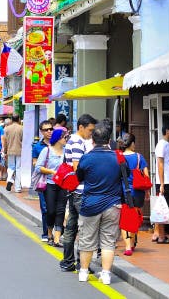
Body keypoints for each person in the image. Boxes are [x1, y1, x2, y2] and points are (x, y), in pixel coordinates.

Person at [75, 120, 122, 285]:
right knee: (108, 241)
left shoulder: (86, 158)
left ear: (92, 140)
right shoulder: (118, 158)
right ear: (109, 140)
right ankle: (106, 274)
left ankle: (83, 272)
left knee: (87, 239)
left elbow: (78, 178)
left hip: (90, 204)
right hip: (113, 204)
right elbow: (125, 177)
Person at [59, 114, 97, 273]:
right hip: (80, 192)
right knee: (85, 229)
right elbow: (77, 167)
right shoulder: (77, 142)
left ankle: (68, 262)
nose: (91, 133)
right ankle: (83, 264)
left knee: (72, 227)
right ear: (81, 127)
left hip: (73, 191)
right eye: (90, 130)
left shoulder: (74, 141)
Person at [35, 127, 68, 247]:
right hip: (50, 184)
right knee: (51, 211)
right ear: (58, 138)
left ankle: (57, 239)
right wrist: (53, 172)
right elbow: (38, 167)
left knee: (61, 211)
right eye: (65, 137)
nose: (66, 139)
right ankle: (49, 234)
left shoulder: (66, 151)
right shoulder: (47, 151)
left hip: (63, 184)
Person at [118, 133, 148, 256]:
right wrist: (147, 192)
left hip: (123, 191)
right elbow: (146, 175)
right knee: (134, 216)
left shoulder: (118, 158)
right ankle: (132, 241)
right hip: (137, 192)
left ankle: (127, 246)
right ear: (132, 144)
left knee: (125, 218)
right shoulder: (139, 157)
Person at [153, 120, 169, 244]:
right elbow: (160, 164)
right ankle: (162, 236)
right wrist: (162, 184)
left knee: (164, 207)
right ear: (167, 131)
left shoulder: (167, 144)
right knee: (164, 208)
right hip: (164, 182)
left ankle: (159, 234)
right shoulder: (162, 144)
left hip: (167, 180)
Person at [32, 120, 54, 242]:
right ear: (41, 132)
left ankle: (55, 232)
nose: (49, 131)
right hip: (44, 181)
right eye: (46, 130)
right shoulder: (37, 146)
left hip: (57, 181)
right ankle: (46, 233)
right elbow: (35, 162)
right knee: (45, 207)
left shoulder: (58, 144)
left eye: (51, 129)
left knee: (56, 208)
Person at [3, 114, 23, 193]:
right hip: (19, 150)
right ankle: (17, 187)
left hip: (10, 150)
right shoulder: (22, 128)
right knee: (18, 168)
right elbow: (23, 139)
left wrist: (5, 151)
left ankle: (9, 179)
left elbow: (5, 141)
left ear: (11, 120)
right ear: (18, 119)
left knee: (11, 167)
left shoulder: (7, 129)